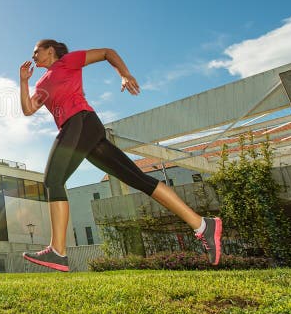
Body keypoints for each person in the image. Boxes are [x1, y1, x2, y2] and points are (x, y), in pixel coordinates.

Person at [20, 40, 222, 272]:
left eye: (37, 51)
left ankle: (58, 251)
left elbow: (107, 52)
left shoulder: (67, 62)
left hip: (81, 121)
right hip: (83, 130)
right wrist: (24, 81)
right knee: (139, 180)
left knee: (53, 180)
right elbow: (28, 109)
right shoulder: (41, 83)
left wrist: (124, 75)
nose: (33, 56)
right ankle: (202, 225)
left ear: (50, 50)